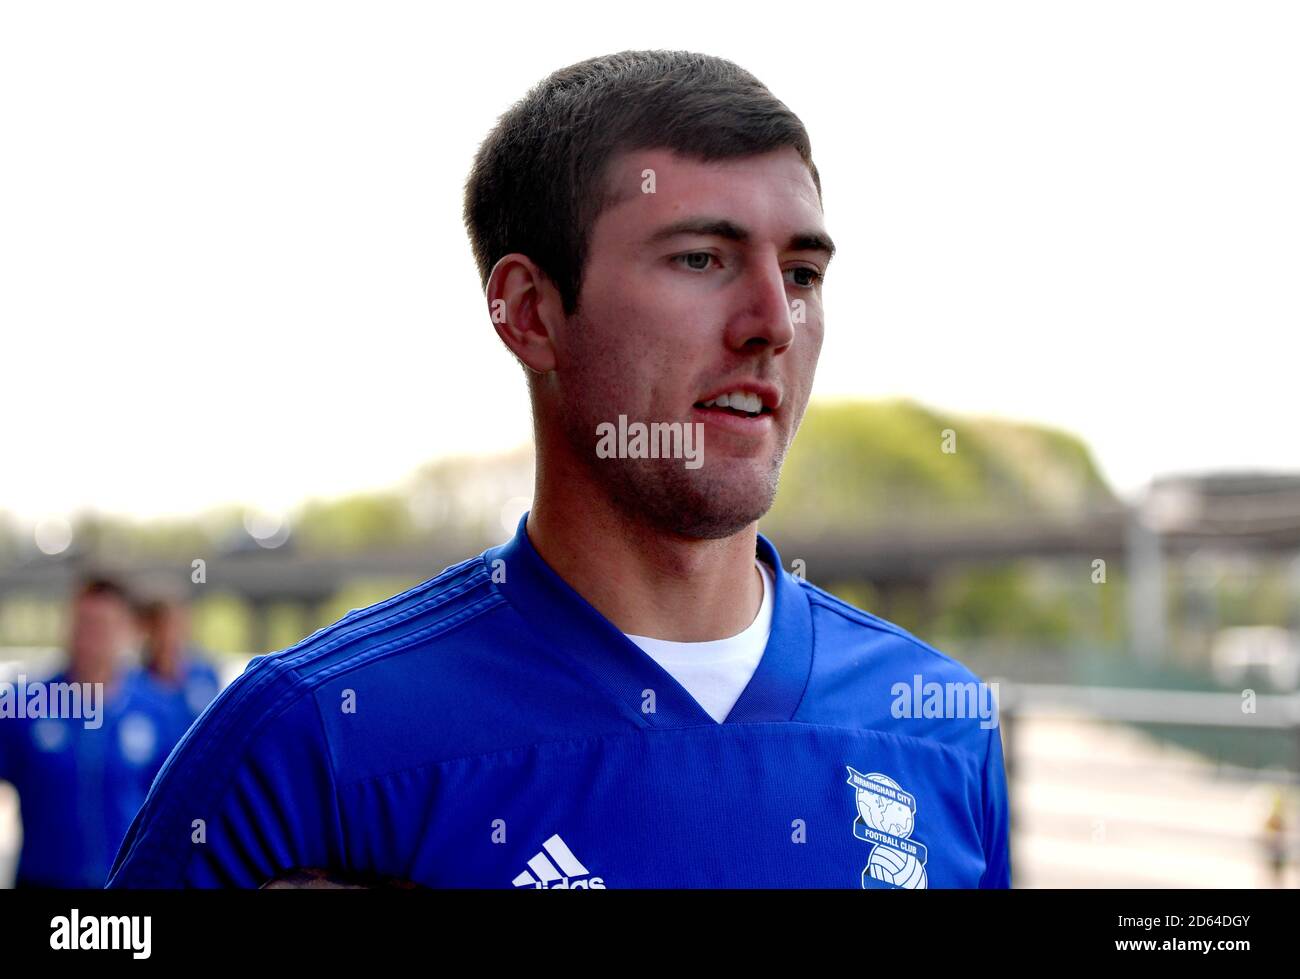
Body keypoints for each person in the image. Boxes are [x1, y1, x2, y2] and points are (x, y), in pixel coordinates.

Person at [108, 49, 1010, 889]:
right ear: (529, 313)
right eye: (701, 258)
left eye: (804, 273)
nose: (773, 320)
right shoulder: (308, 742)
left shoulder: (939, 726)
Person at [0, 577, 183, 887]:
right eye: (83, 624)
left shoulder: (160, 711)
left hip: (127, 886)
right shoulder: (24, 706)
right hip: (43, 880)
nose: (90, 637)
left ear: (129, 631)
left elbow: (175, 809)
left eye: (103, 626)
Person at [135, 593, 221, 727]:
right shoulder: (134, 683)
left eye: (176, 625)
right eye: (162, 627)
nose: (169, 636)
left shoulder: (204, 675)